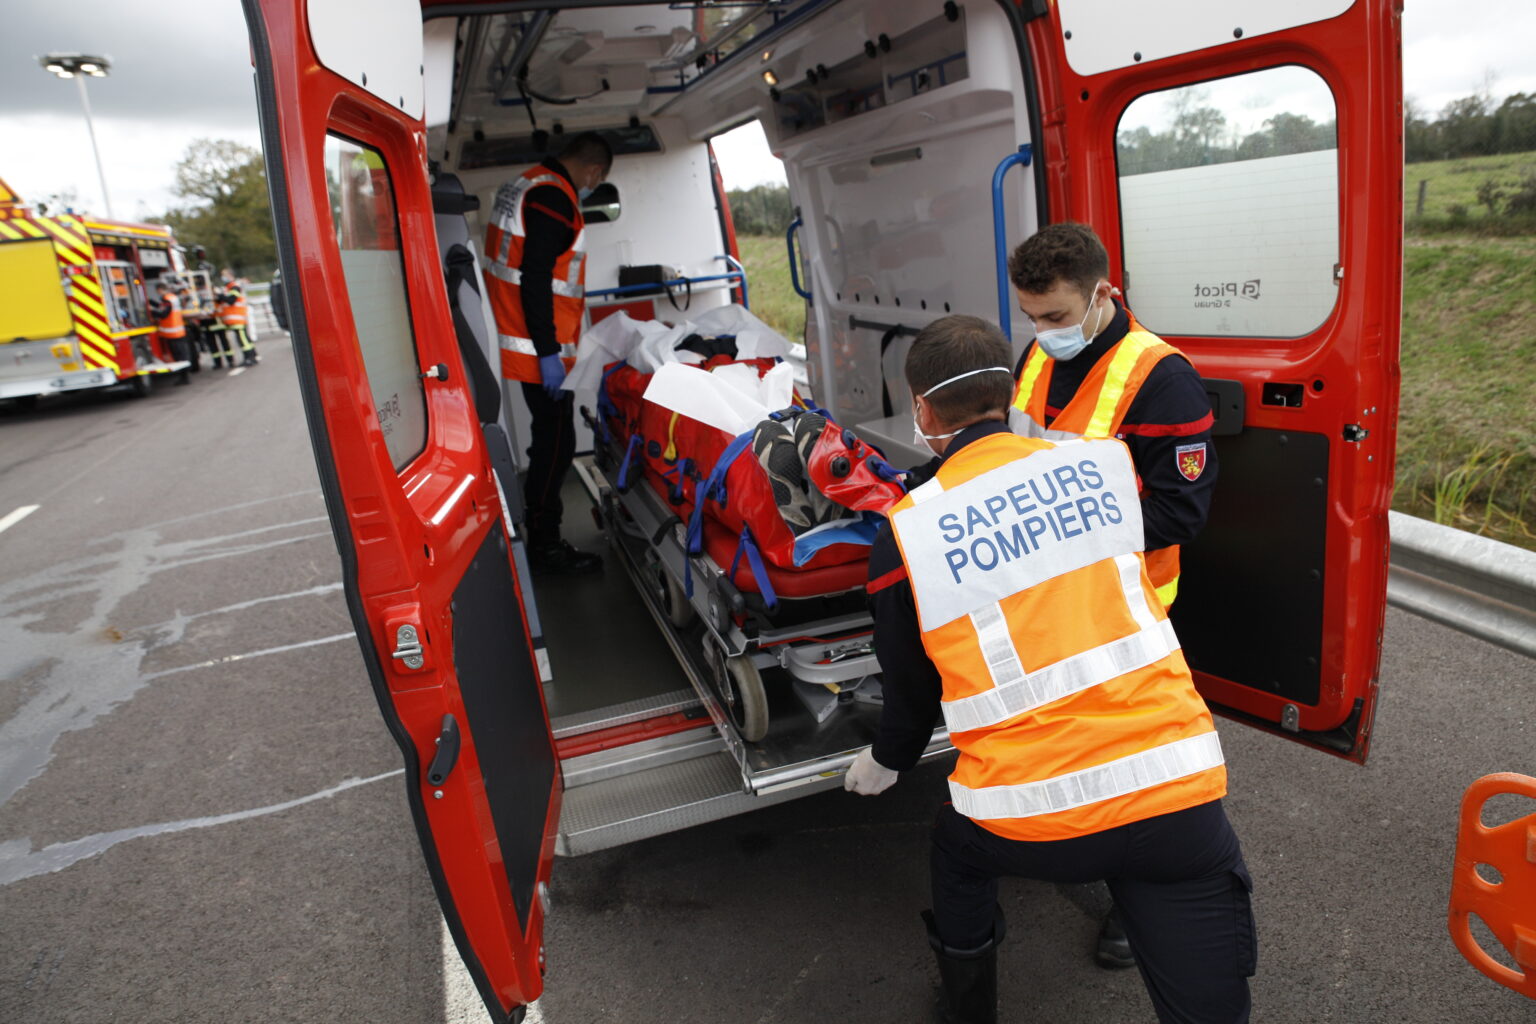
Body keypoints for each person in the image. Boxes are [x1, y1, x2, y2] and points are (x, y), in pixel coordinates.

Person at [846, 315, 1254, 1024]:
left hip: (1029, 817)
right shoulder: (1101, 473)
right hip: (1176, 787)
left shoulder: (906, 533)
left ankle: (968, 1008)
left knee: (956, 850)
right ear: (1007, 393)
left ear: (921, 409)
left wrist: (890, 757)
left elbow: (910, 686)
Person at [1006, 222, 1219, 967]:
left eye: (1056, 317)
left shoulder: (1161, 378)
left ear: (1102, 293)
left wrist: (1064, 537)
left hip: (1130, 610)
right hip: (1051, 603)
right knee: (1071, 750)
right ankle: (1073, 844)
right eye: (1031, 317)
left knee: (1140, 771)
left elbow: (1179, 512)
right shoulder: (1037, 356)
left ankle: (1140, 905)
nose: (1042, 332)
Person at [483, 131, 612, 574]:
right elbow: (535, 277)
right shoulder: (553, 199)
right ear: (594, 172)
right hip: (535, 346)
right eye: (595, 181)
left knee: (549, 440)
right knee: (557, 445)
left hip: (519, 337)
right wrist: (548, 352)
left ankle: (540, 534)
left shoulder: (524, 184)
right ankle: (545, 545)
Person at [215, 269, 258, 366]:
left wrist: (221, 296)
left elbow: (231, 300)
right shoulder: (228, 288)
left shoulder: (234, 287)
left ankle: (249, 358)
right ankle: (252, 356)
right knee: (244, 339)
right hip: (235, 320)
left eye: (225, 275)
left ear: (230, 276)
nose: (223, 277)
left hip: (238, 319)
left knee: (243, 340)